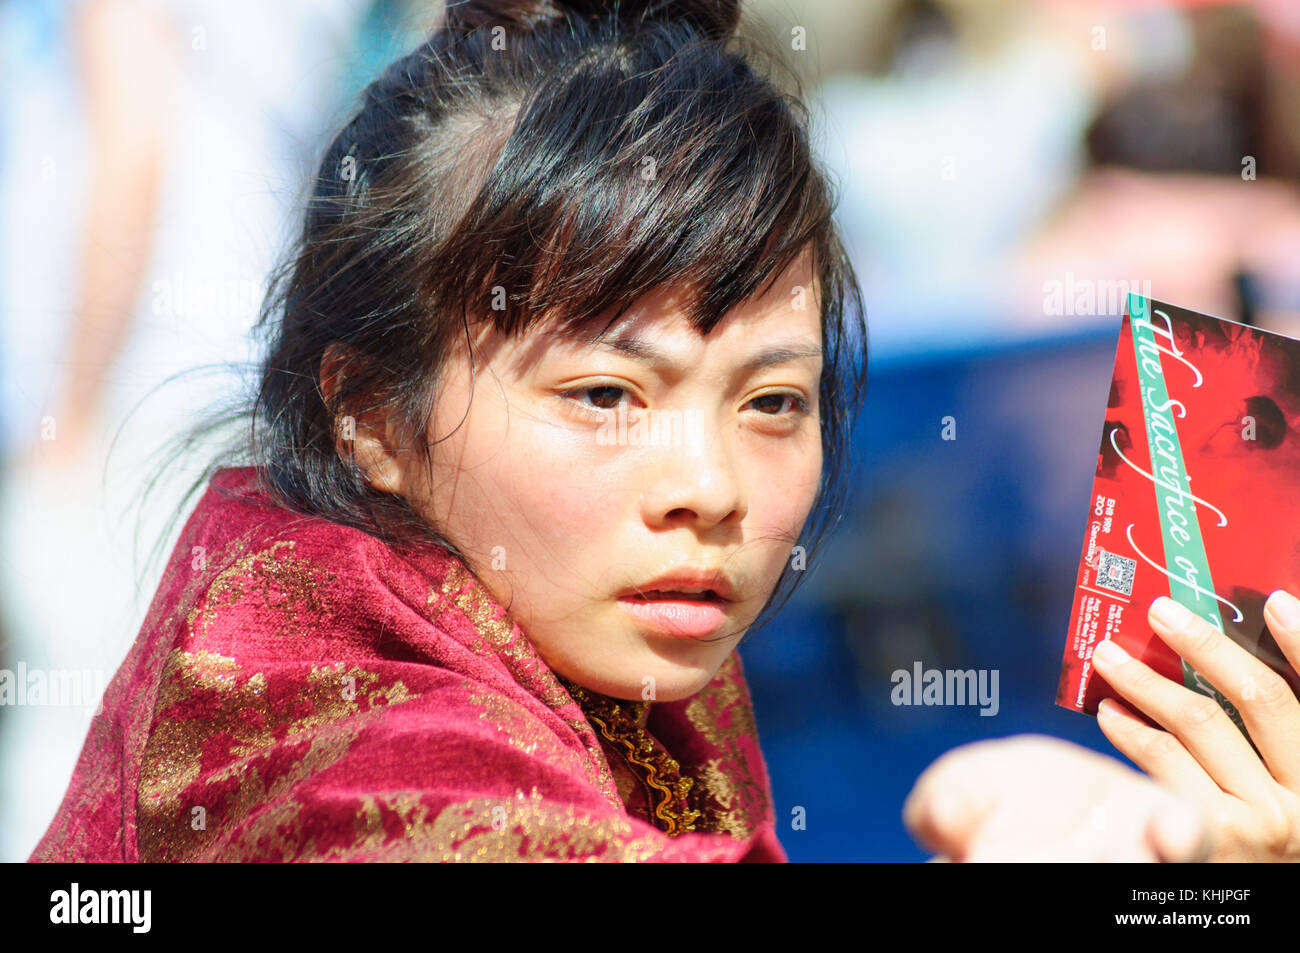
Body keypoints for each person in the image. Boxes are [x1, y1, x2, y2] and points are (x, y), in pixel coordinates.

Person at [27, 0, 1300, 862]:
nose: (708, 488)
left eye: (772, 402)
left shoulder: (554, 598)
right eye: (604, 397)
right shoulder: (375, 757)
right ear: (366, 412)